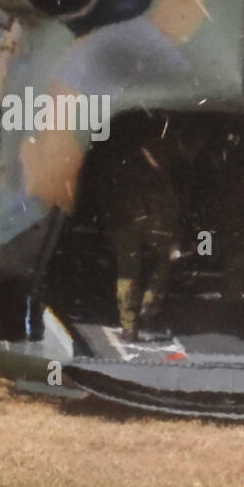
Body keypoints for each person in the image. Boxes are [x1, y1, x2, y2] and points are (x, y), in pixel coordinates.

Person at [97, 142, 180, 342]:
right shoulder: (164, 172)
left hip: (131, 221)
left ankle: (130, 324)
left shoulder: (127, 165)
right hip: (155, 218)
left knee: (128, 273)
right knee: (159, 263)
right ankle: (149, 304)